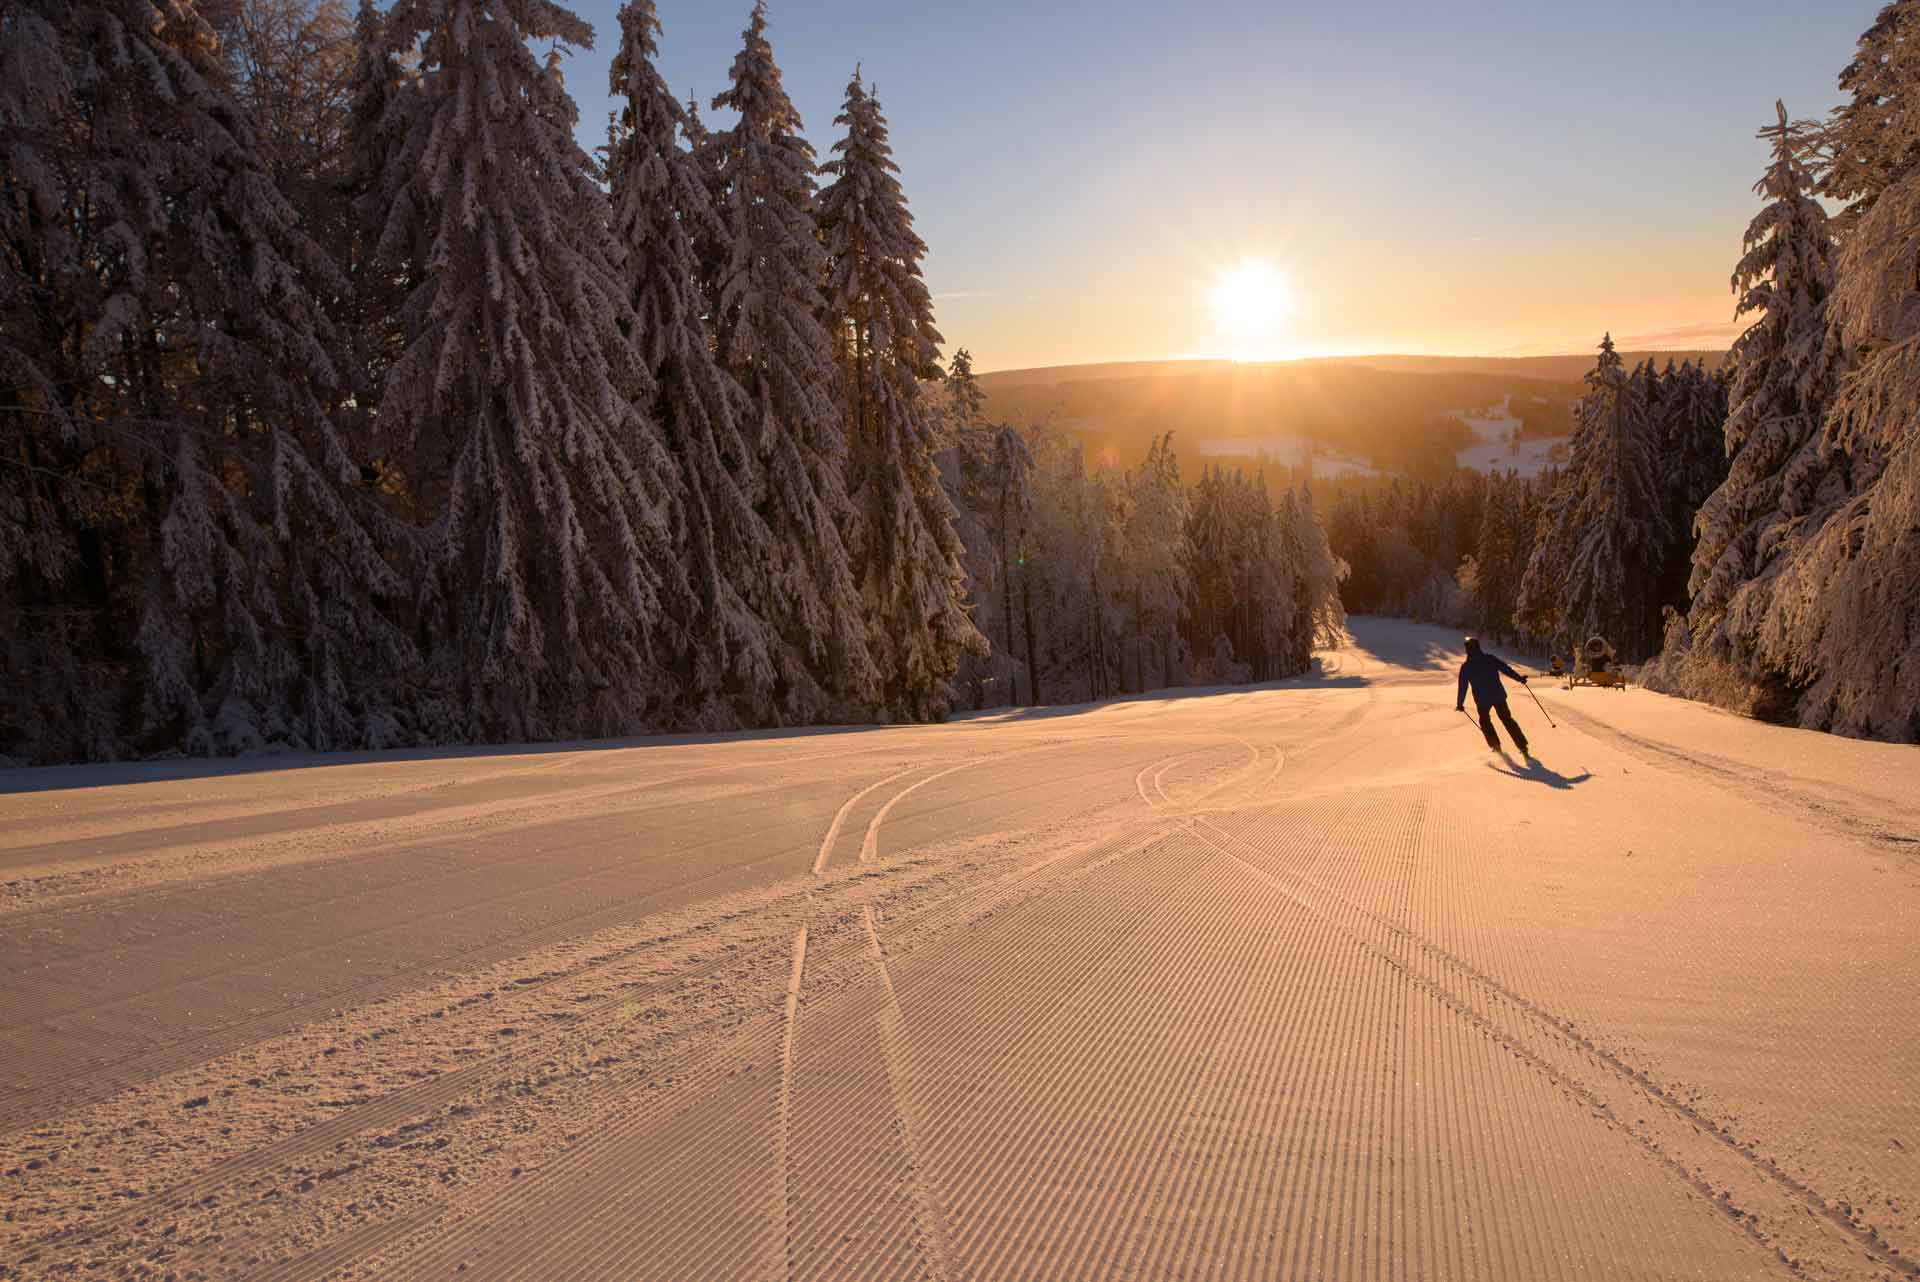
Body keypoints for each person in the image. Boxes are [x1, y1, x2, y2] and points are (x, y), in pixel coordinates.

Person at [1455, 636, 1531, 756]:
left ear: (1467, 650)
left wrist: (1460, 704)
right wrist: (1519, 679)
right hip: (1498, 695)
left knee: (1485, 722)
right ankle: (1522, 746)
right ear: (1479, 647)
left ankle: (1496, 746)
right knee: (1507, 720)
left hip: (1482, 700)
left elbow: (1462, 687)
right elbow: (1506, 669)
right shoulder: (1490, 659)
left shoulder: (1466, 667)